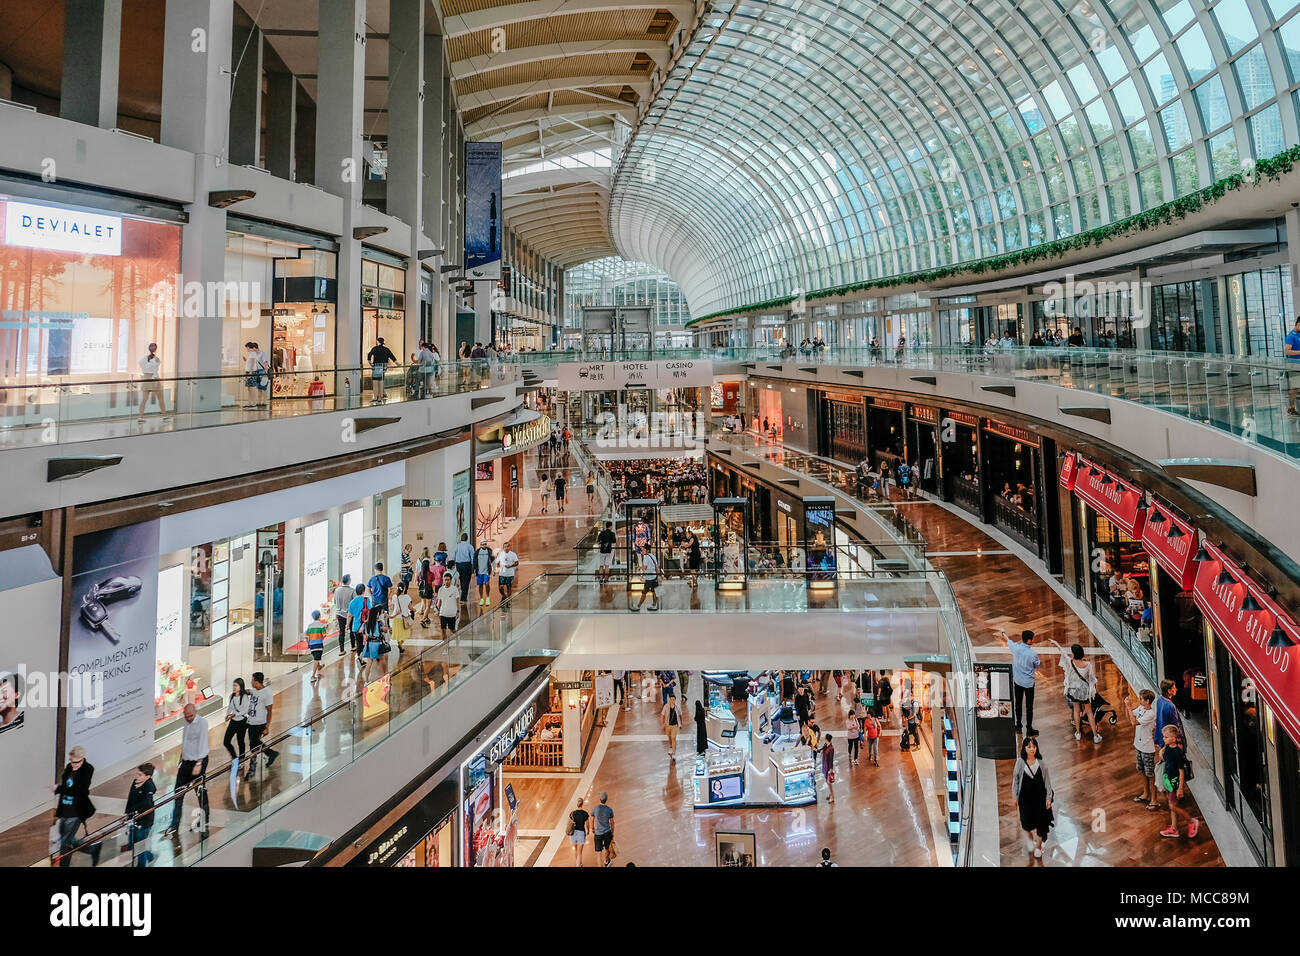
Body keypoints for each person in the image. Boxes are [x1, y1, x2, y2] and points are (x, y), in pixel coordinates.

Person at [165, 702, 210, 837]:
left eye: (190, 715)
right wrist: (181, 758)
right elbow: (185, 742)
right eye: (186, 716)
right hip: (186, 762)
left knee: (200, 791)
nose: (188, 718)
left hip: (198, 762)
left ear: (195, 712)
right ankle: (174, 825)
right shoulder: (186, 723)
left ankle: (205, 819)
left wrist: (199, 764)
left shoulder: (202, 723)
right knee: (178, 793)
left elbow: (203, 743)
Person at [1011, 737, 1054, 858]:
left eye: (1034, 746)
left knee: (1041, 824)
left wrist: (1048, 798)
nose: (1032, 749)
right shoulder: (1020, 762)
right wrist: (1015, 796)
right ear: (1024, 748)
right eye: (1029, 746)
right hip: (1025, 800)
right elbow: (1016, 780)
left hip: (1040, 800)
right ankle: (1030, 840)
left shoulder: (1041, 764)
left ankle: (1039, 847)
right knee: (1026, 823)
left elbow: (1047, 782)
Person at [53, 746, 94, 867]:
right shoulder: (69, 767)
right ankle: (90, 849)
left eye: (76, 762)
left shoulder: (88, 769)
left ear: (82, 759)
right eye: (71, 761)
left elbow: (80, 791)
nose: (73, 764)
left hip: (76, 811)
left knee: (65, 842)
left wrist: (59, 789)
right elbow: (66, 787)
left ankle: (64, 865)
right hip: (65, 807)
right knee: (65, 836)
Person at [1054, 640, 1102, 743]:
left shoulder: (1070, 662)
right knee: (1089, 712)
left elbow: (1062, 652)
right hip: (1084, 691)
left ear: (1074, 653)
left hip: (1073, 690)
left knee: (1076, 710)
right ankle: (1095, 735)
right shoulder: (1088, 664)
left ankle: (1078, 733)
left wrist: (1056, 643)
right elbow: (1092, 679)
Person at [1159, 724, 1199, 839]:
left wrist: (1180, 788)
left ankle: (1191, 821)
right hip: (1168, 780)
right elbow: (1165, 760)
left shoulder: (1177, 753)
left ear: (1173, 738)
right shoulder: (1167, 748)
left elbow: (1181, 771)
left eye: (1166, 737)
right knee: (1172, 805)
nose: (1163, 739)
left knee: (1173, 807)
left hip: (1174, 783)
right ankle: (1174, 828)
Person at [1125, 688, 1160, 811]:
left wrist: (1129, 707)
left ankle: (1154, 800)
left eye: (1141, 698)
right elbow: (1130, 716)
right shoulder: (1141, 709)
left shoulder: (1151, 714)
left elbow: (1134, 722)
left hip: (1147, 747)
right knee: (1142, 771)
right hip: (1138, 745)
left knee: (1150, 774)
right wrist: (1127, 706)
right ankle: (1146, 794)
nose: (1139, 700)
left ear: (1147, 701)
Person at [1003, 629, 1041, 737]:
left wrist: (1003, 633)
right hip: (1029, 683)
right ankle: (1029, 728)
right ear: (1029, 640)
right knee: (1029, 706)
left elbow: (1008, 641)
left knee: (1018, 704)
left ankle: (1018, 726)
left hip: (1018, 681)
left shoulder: (1016, 648)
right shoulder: (1033, 654)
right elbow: (1037, 666)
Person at [244, 672, 279, 781]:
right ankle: (271, 753)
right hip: (251, 723)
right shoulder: (254, 691)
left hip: (260, 724)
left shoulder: (267, 693)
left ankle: (252, 769)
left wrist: (267, 726)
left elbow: (269, 711)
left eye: (252, 680)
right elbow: (247, 691)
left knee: (253, 744)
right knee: (254, 744)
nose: (251, 682)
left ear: (256, 681)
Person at [125, 763, 157, 866]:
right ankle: (150, 856)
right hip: (133, 818)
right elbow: (130, 798)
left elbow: (146, 803)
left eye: (140, 775)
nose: (136, 777)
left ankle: (142, 864)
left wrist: (133, 812)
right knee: (134, 843)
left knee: (139, 847)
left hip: (144, 821)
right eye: (137, 774)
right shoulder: (135, 782)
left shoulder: (149, 787)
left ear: (148, 777)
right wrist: (127, 813)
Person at [223, 677, 250, 765]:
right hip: (233, 722)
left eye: (236, 686)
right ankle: (235, 758)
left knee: (240, 742)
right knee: (226, 741)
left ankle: (242, 760)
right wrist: (227, 715)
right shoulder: (232, 696)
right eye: (233, 685)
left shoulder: (244, 697)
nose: (234, 687)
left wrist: (235, 714)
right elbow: (230, 707)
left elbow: (246, 710)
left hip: (242, 722)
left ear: (240, 687)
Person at [137, 342, 168, 419]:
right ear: (155, 349)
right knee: (160, 398)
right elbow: (155, 368)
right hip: (153, 379)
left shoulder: (143, 359)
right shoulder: (156, 359)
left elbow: (141, 365)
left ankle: (140, 417)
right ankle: (164, 415)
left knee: (144, 399)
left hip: (147, 378)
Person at [366, 337, 398, 403]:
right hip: (383, 367)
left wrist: (370, 362)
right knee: (381, 382)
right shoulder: (386, 349)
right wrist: (397, 363)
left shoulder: (375, 348)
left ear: (378, 342)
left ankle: (375, 398)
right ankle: (380, 398)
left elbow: (369, 354)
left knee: (375, 383)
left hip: (376, 367)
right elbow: (392, 356)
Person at [347, 583, 370, 664]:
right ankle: (361, 658)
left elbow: (349, 615)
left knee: (359, 643)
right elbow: (370, 612)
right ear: (364, 591)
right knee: (365, 643)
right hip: (365, 626)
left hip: (355, 626)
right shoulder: (366, 600)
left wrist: (347, 625)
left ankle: (360, 658)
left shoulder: (352, 602)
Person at [332, 574, 355, 655]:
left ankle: (341, 650)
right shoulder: (352, 590)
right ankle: (353, 646)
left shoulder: (337, 590)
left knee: (341, 632)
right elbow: (354, 604)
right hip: (350, 614)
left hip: (339, 614)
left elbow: (334, 602)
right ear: (349, 581)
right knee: (352, 631)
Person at [243, 341, 269, 409]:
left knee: (262, 387)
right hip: (256, 371)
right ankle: (257, 402)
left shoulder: (261, 353)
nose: (247, 349)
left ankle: (263, 402)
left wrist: (265, 372)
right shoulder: (253, 354)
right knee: (257, 387)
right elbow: (252, 363)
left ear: (254, 348)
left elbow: (265, 362)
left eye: (248, 348)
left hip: (261, 371)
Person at [632, 546, 659, 611]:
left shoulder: (646, 557)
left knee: (644, 592)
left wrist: (639, 568)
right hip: (654, 576)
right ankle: (654, 605)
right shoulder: (653, 556)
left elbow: (645, 568)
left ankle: (638, 606)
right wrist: (658, 576)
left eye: (644, 550)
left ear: (647, 551)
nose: (642, 551)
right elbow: (656, 566)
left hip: (649, 578)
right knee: (654, 591)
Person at [592, 792, 615, 867]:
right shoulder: (609, 810)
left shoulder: (595, 808)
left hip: (598, 833)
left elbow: (592, 820)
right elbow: (612, 822)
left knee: (598, 853)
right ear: (606, 799)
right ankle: (606, 862)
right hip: (607, 832)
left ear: (600, 799)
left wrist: (592, 829)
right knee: (607, 849)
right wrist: (612, 832)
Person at [568, 798, 592, 867]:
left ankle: (580, 864)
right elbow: (587, 824)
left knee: (576, 851)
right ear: (582, 804)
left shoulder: (572, 813)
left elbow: (569, 823)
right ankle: (578, 865)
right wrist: (587, 831)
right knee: (579, 853)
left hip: (573, 834)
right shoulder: (585, 813)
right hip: (581, 834)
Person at [436, 573, 461, 639]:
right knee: (443, 630)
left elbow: (458, 600)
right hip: (443, 613)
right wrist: (438, 611)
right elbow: (439, 601)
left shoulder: (454, 589)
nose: (446, 581)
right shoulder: (441, 590)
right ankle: (445, 644)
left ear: (451, 580)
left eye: (448, 580)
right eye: (445, 580)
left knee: (452, 629)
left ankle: (457, 637)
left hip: (452, 614)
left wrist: (458, 611)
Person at [306, 609, 327, 683]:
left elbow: (307, 637)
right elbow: (324, 635)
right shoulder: (321, 625)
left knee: (316, 657)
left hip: (311, 645)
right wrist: (321, 639)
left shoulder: (309, 626)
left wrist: (308, 644)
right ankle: (313, 676)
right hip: (318, 645)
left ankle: (319, 666)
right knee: (316, 660)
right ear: (319, 616)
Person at [390, 585, 412, 653]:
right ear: (404, 588)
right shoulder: (407, 597)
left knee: (398, 634)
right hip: (403, 618)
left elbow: (393, 607)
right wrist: (414, 610)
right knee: (406, 633)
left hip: (396, 618)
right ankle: (400, 645)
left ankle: (399, 645)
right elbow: (410, 607)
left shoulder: (394, 596)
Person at [453, 533, 475, 603]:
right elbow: (472, 557)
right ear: (467, 538)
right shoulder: (469, 546)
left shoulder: (457, 546)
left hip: (458, 565)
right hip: (466, 565)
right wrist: (473, 567)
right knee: (466, 582)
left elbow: (454, 556)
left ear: (461, 538)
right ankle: (463, 598)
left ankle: (463, 594)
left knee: (462, 580)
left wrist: (453, 565)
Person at [473, 540, 495, 608]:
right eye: (482, 544)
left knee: (487, 584)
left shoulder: (489, 551)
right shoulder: (477, 552)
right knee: (480, 585)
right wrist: (473, 570)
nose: (484, 545)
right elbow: (474, 561)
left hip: (486, 571)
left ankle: (487, 597)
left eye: (485, 544)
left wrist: (494, 570)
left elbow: (493, 561)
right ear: (480, 544)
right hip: (479, 571)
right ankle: (481, 598)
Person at [661, 693, 682, 759]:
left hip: (675, 725)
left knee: (673, 738)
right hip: (668, 725)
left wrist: (681, 723)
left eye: (673, 699)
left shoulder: (677, 707)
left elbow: (680, 715)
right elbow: (662, 715)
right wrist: (662, 724)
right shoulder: (666, 706)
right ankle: (670, 747)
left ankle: (673, 753)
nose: (672, 701)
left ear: (675, 700)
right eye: (671, 699)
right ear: (669, 700)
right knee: (669, 737)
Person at [820, 733, 836, 803]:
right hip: (825, 765)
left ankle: (832, 796)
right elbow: (821, 750)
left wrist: (831, 769)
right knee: (827, 782)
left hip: (828, 767)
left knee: (829, 782)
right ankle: (830, 794)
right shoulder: (826, 745)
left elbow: (831, 759)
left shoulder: (831, 748)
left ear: (826, 739)